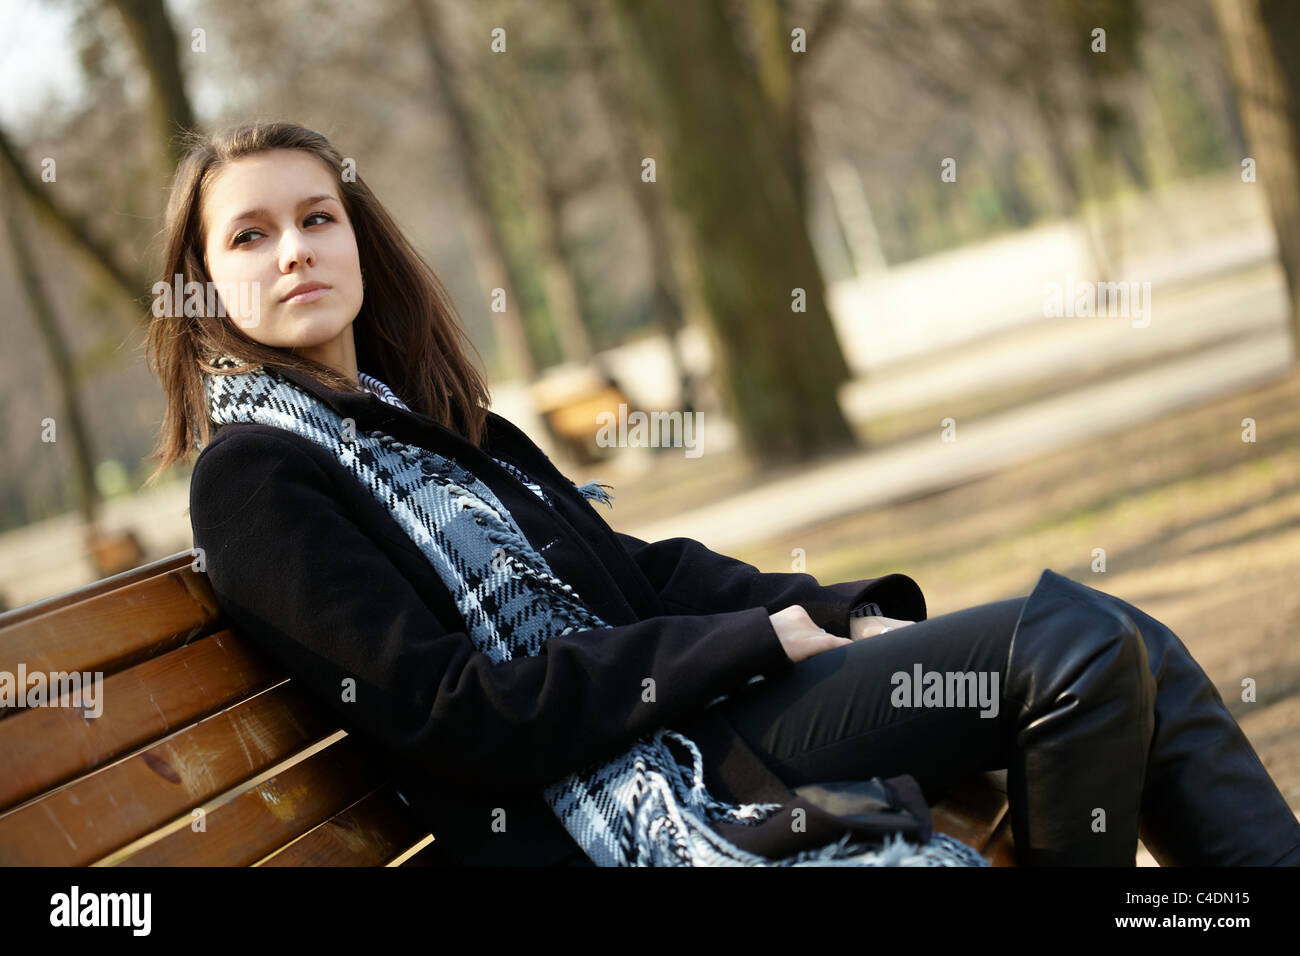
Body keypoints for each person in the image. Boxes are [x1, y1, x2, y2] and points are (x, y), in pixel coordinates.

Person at [145, 120, 1300, 867]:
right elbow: (452, 710)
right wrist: (741, 644)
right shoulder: (256, 477)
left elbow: (633, 571)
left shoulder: (436, 423)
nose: (292, 249)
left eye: (316, 217)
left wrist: (831, 607)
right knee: (1080, 647)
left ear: (359, 241)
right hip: (603, 793)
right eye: (249, 235)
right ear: (201, 289)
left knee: (1122, 641)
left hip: (690, 725)